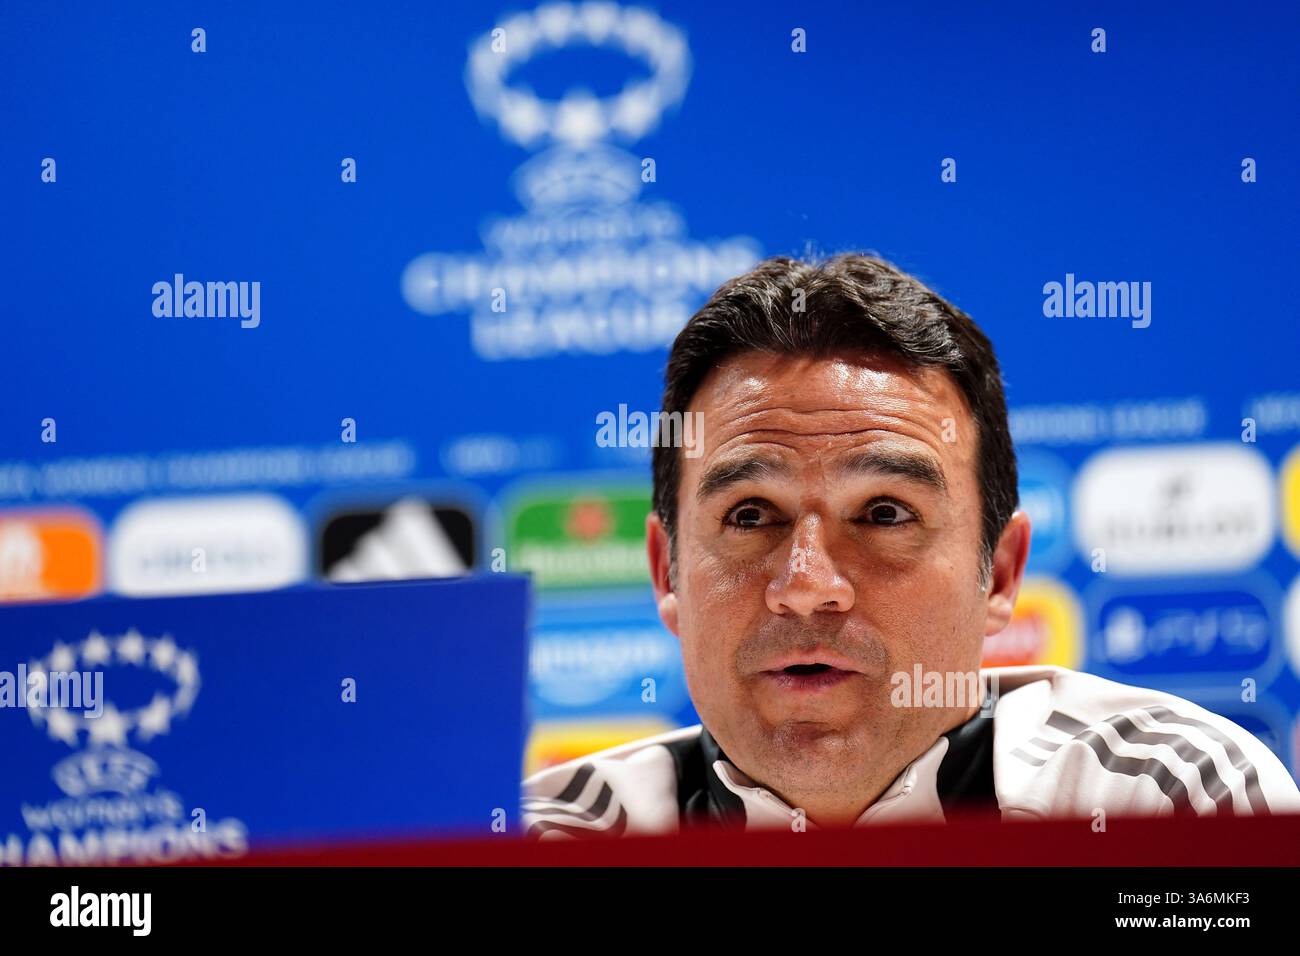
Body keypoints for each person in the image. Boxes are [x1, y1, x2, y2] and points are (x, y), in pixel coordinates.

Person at [522, 253, 1300, 838]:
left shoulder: (1168, 804)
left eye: (886, 514)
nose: (807, 585)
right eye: (752, 515)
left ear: (998, 573)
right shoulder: (541, 840)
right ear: (667, 573)